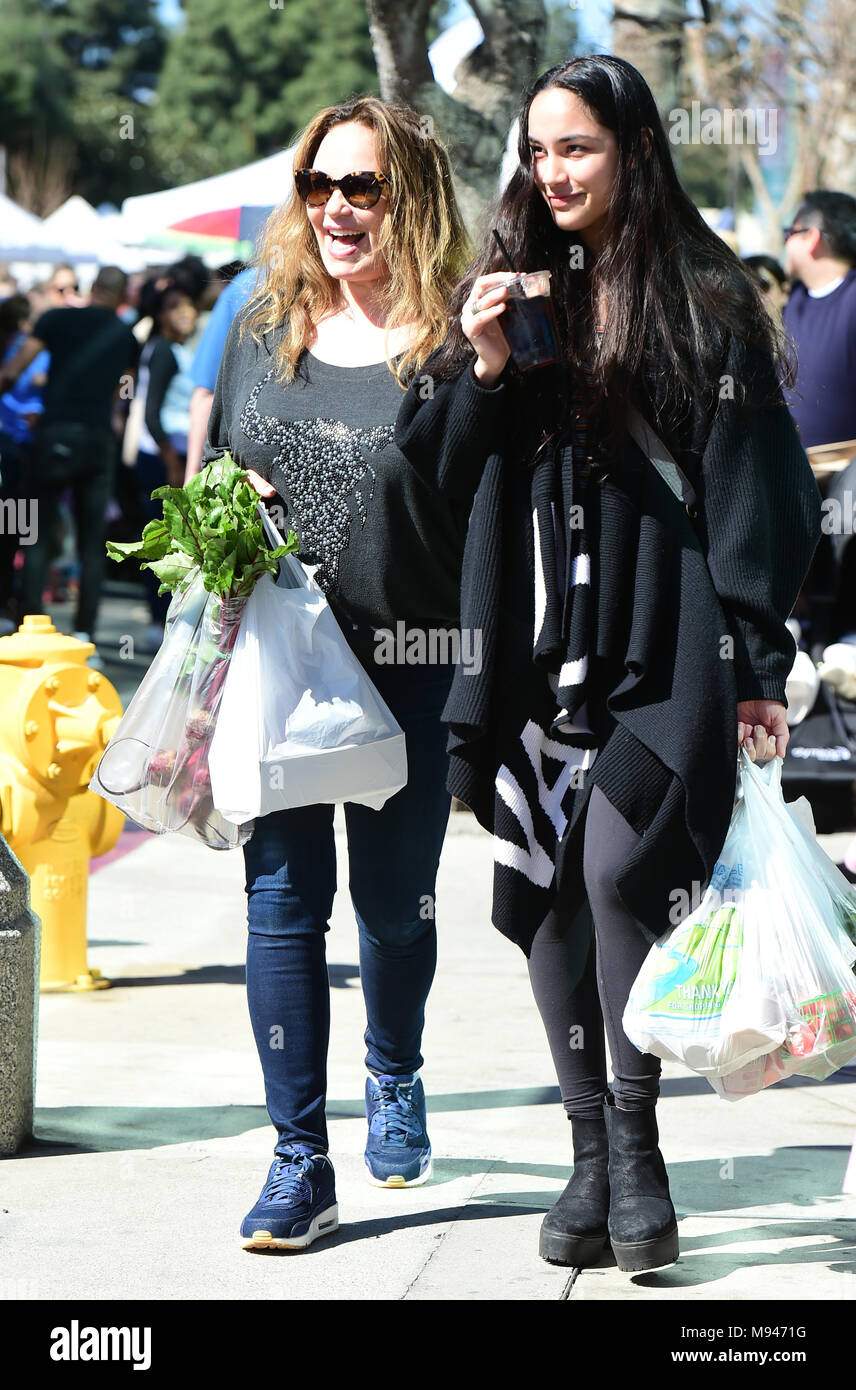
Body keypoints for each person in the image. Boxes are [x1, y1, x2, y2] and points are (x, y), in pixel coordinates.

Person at [396, 54, 823, 1274]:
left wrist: (753, 659)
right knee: (542, 886)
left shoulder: (703, 294)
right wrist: (478, 370)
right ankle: (589, 1156)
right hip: (528, 646)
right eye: (537, 150)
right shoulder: (506, 286)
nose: (551, 171)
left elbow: (758, 491)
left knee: (621, 877)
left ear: (635, 147)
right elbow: (432, 468)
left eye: (574, 147)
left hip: (661, 637)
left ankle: (636, 1156)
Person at [203, 97, 471, 1250]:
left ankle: (394, 1067)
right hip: (282, 658)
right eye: (319, 185)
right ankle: (298, 1158)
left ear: (407, 195)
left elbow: (485, 507)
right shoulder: (260, 322)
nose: (337, 209)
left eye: (363, 186)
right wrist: (224, 514)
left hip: (412, 663)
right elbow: (211, 468)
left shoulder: (454, 340)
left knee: (394, 912)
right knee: (281, 905)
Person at [0, 265, 139, 647]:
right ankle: (85, 633)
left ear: (93, 288)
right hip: (96, 440)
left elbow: (12, 372)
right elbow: (124, 390)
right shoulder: (125, 334)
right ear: (124, 294)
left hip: (53, 434)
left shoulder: (55, 320)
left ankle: (27, 623)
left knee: (35, 534)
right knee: (92, 541)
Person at [133, 285, 199, 641]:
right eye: (175, 307)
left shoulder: (173, 349)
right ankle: (158, 622)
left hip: (171, 455)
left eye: (188, 303)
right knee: (162, 544)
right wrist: (172, 463)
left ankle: (165, 620)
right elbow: (151, 414)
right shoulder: (163, 352)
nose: (185, 312)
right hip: (164, 458)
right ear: (161, 315)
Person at [781, 191, 856, 452]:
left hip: (844, 479)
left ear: (810, 237)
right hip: (793, 477)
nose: (785, 245)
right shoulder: (794, 300)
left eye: (788, 235)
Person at [183, 263, 258, 482]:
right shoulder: (247, 286)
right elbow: (206, 394)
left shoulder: (246, 286)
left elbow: (205, 396)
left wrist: (192, 479)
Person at [0, 295, 48, 628]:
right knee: (21, 531)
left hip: (10, 443)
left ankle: (7, 602)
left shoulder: (9, 345)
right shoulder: (33, 348)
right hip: (23, 447)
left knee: (11, 529)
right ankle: (15, 605)